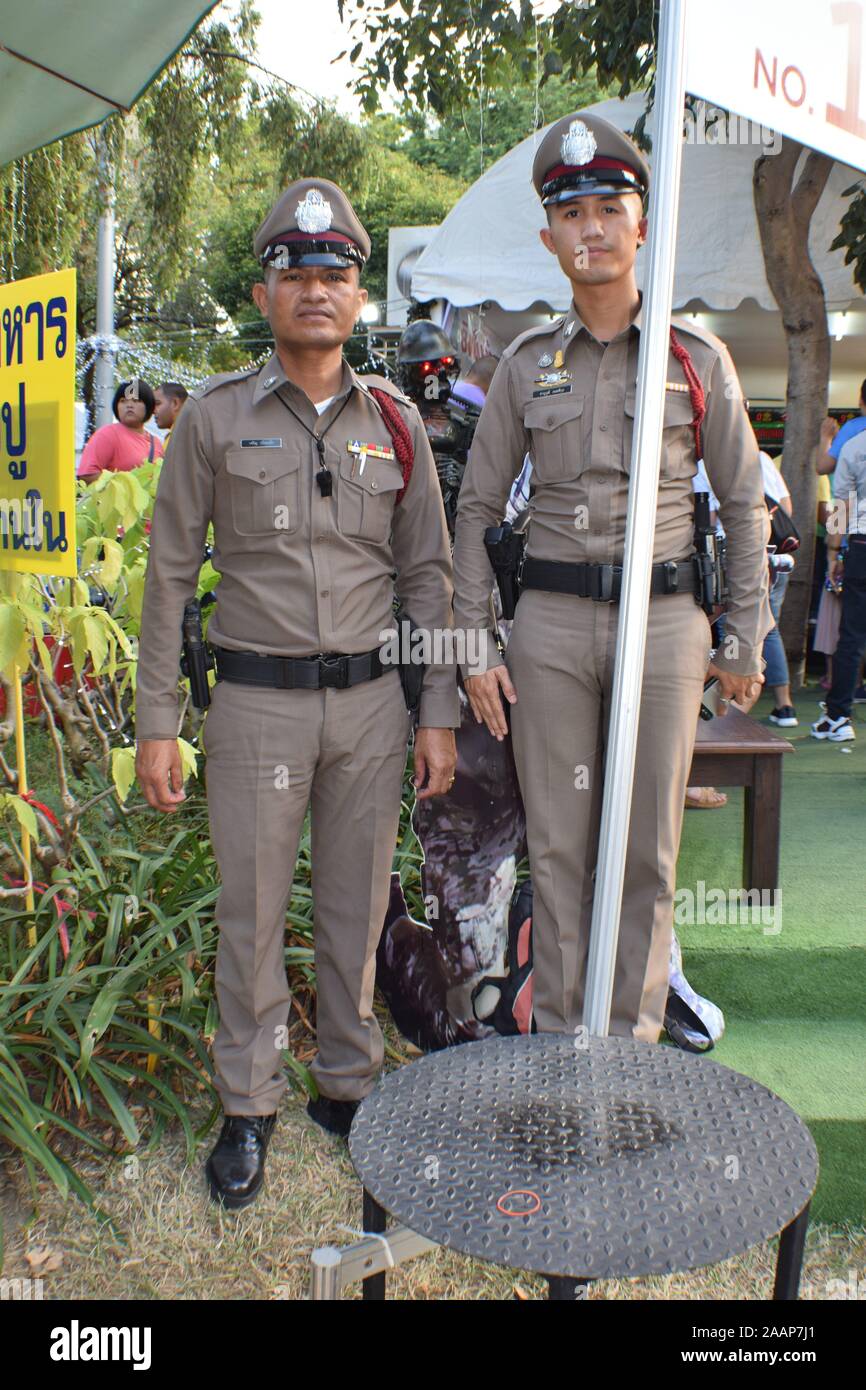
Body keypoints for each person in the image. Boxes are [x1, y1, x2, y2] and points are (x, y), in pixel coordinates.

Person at [134, 177, 458, 1207]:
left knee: (356, 909)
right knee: (252, 912)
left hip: (370, 706)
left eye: (335, 273)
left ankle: (348, 1087)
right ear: (264, 292)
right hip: (258, 704)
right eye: (296, 273)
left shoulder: (396, 424)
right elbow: (169, 574)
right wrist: (156, 724)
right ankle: (247, 1104)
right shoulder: (214, 419)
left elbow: (428, 578)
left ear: (358, 293)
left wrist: (436, 711)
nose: (316, 289)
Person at [452, 110, 770, 1042]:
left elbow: (746, 503)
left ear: (641, 226)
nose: (591, 227)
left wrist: (743, 638)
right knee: (556, 849)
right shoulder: (525, 365)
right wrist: (475, 643)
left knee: (646, 855)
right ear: (551, 239)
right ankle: (562, 1050)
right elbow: (472, 514)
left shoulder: (694, 360)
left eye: (609, 207)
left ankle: (628, 1053)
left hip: (664, 626)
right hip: (548, 625)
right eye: (571, 212)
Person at [811, 422, 866, 741]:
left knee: (852, 636)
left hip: (861, 545)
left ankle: (838, 718)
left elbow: (841, 506)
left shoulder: (854, 446)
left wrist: (833, 553)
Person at [76, 379, 164, 481]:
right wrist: (125, 488)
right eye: (123, 401)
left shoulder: (156, 443)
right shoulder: (107, 435)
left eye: (136, 401)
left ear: (149, 406)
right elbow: (87, 474)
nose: (129, 405)